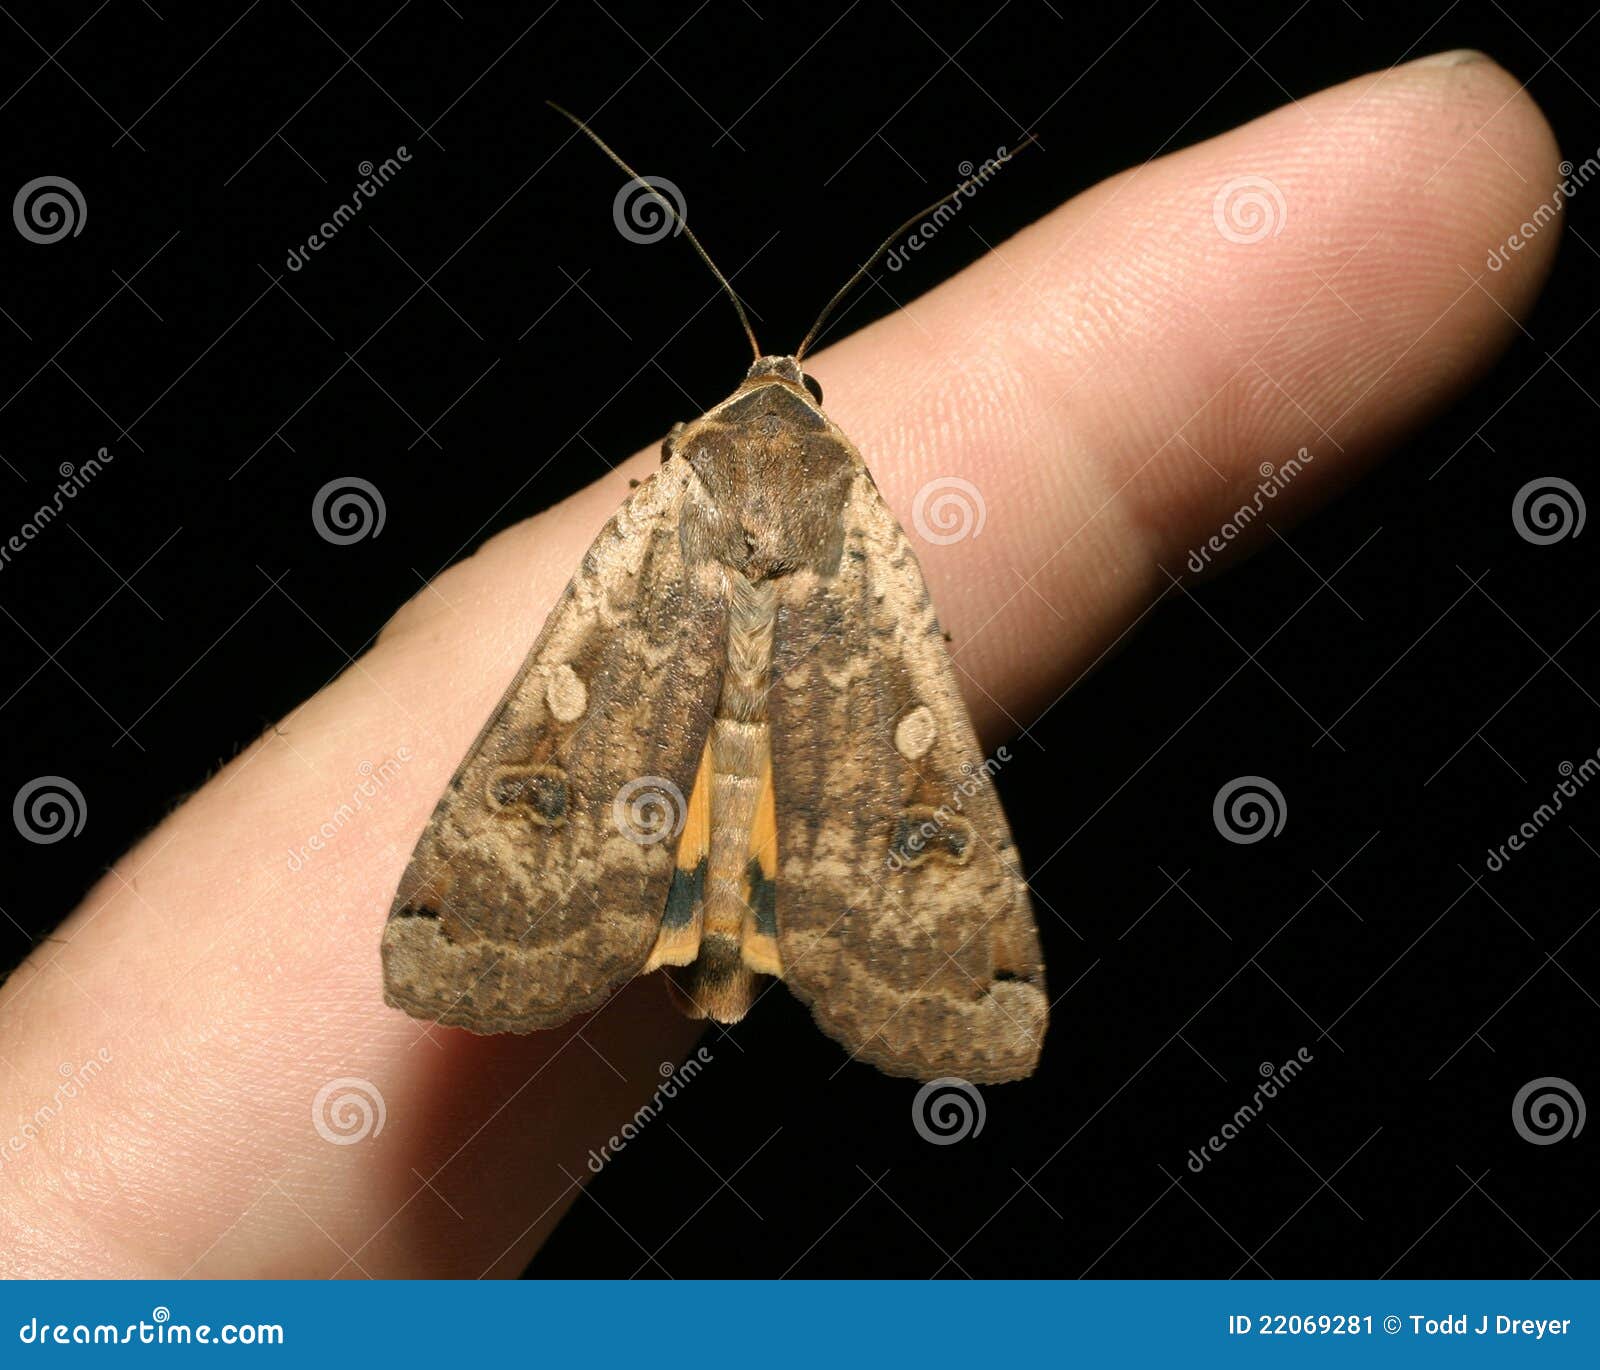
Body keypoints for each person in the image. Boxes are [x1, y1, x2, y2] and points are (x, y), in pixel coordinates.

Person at [0, 52, 1561, 1277]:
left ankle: (674, 905)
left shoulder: (675, 489)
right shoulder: (847, 500)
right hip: (829, 688)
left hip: (663, 677)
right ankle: (745, 915)